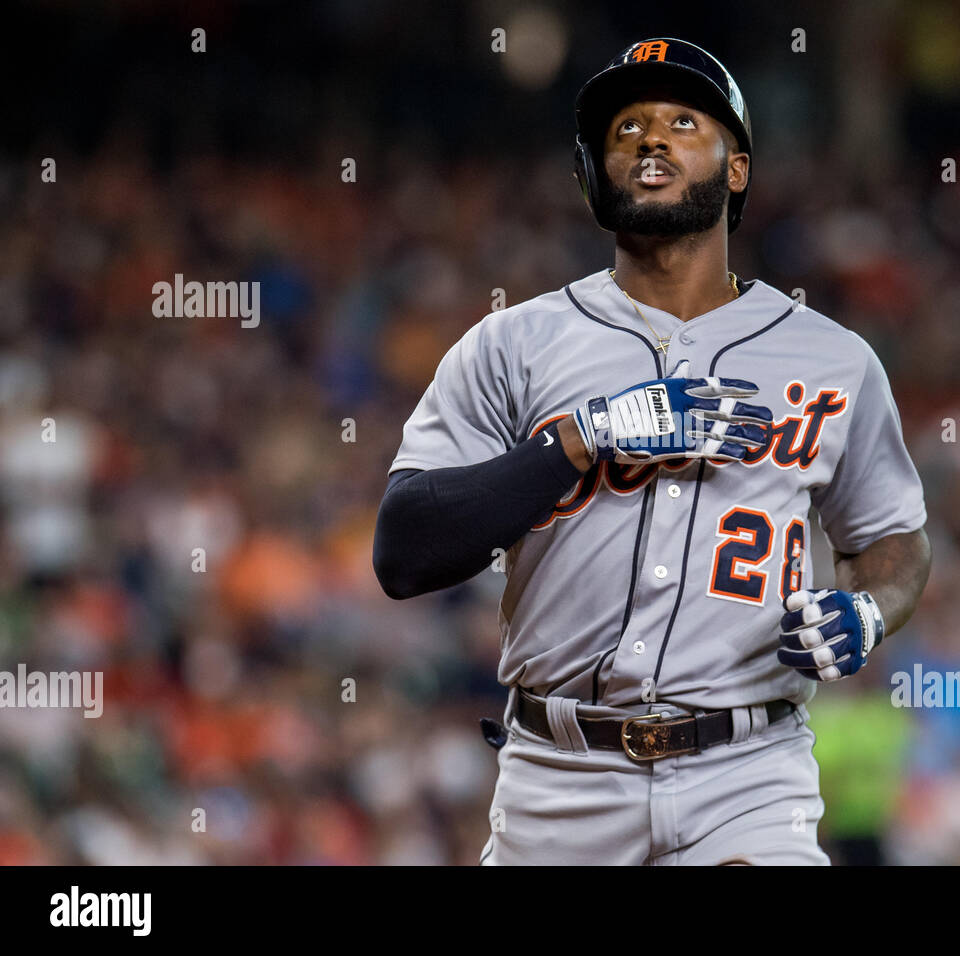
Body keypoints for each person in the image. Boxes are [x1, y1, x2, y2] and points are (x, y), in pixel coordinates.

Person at [373, 37, 931, 865]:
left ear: (735, 169)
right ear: (592, 174)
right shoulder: (513, 345)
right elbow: (404, 550)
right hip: (557, 781)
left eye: (682, 121)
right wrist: (579, 438)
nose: (650, 139)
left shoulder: (833, 359)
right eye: (625, 128)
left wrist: (869, 610)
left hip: (749, 771)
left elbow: (892, 542)